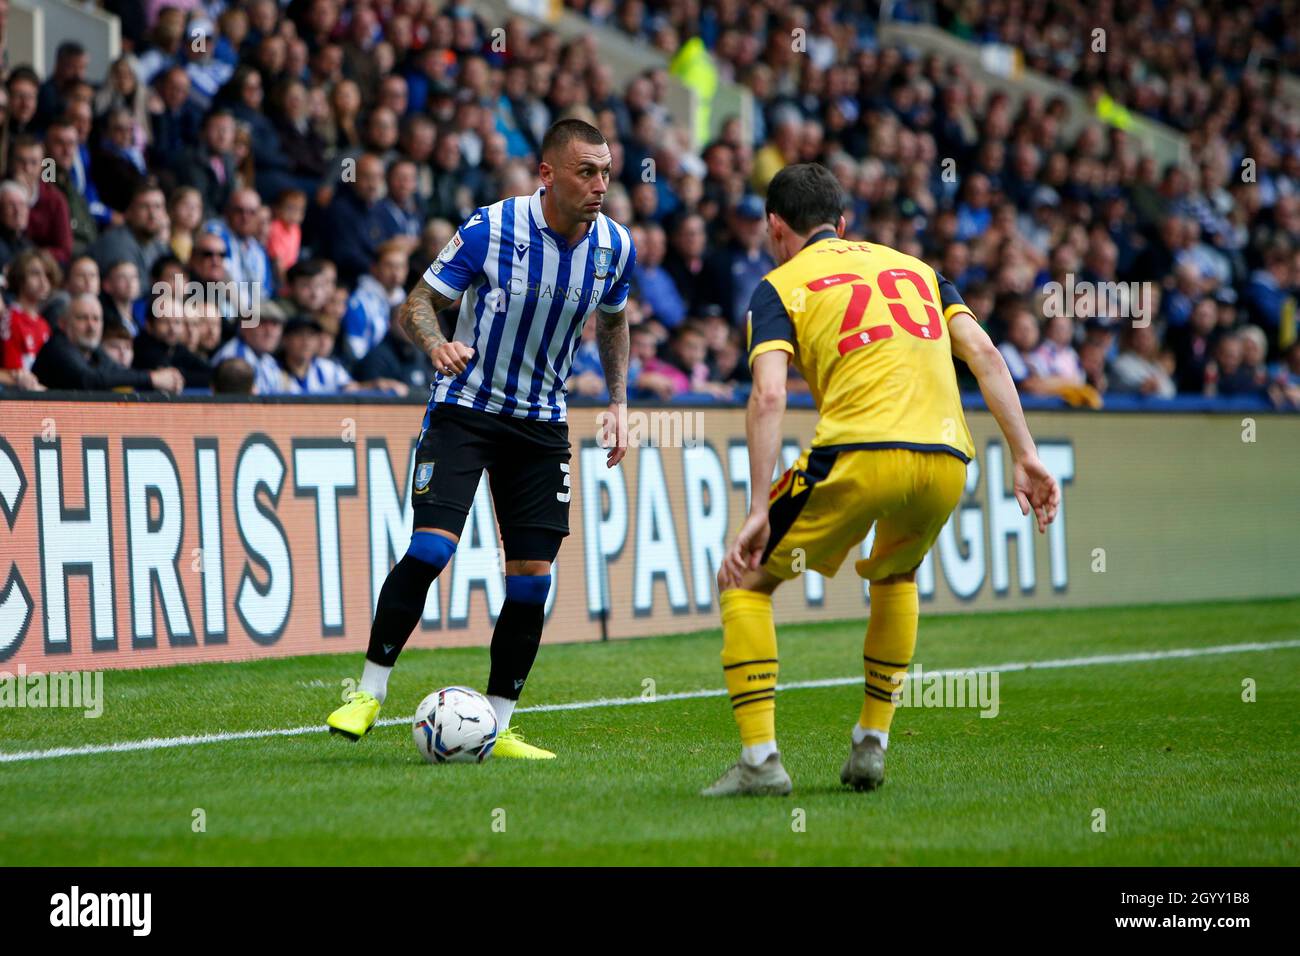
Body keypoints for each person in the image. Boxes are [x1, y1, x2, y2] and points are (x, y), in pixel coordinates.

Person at [704, 163, 1059, 797]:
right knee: (896, 576)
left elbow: (767, 397)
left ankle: (760, 761)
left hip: (858, 451)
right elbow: (985, 355)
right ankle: (871, 744)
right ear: (843, 225)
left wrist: (760, 506)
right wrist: (1026, 453)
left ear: (774, 226)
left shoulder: (778, 285)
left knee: (745, 582)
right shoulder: (919, 271)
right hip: (947, 458)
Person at [325, 119, 637, 759]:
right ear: (547, 174)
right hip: (465, 410)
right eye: (587, 171)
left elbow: (614, 320)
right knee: (432, 549)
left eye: (606, 171)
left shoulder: (615, 247)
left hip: (541, 424)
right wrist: (437, 343)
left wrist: (617, 401)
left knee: (530, 581)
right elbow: (417, 302)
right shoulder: (491, 228)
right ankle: (368, 692)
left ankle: (497, 726)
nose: (601, 184)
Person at [32, 293, 183, 392]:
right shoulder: (57, 346)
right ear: (63, 324)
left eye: (96, 319)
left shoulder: (93, 351)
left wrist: (164, 379)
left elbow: (117, 372)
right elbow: (89, 379)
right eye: (82, 318)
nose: (91, 326)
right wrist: (152, 378)